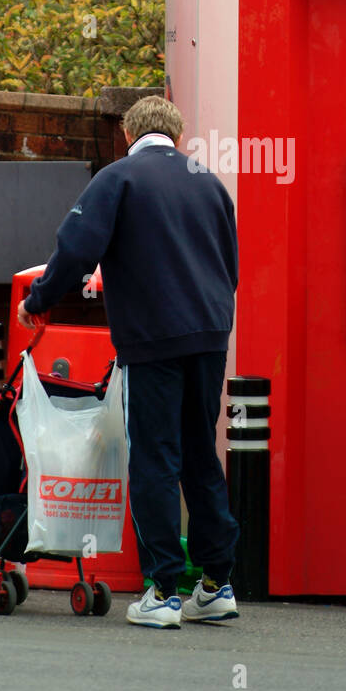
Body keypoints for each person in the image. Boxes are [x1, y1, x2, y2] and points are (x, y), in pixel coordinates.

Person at [17, 96, 240, 629]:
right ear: (178, 135)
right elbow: (229, 263)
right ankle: (215, 585)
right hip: (209, 334)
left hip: (153, 339)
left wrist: (39, 300)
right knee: (199, 455)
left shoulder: (119, 179)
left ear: (127, 133)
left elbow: (74, 250)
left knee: (155, 456)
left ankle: (163, 591)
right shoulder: (209, 183)